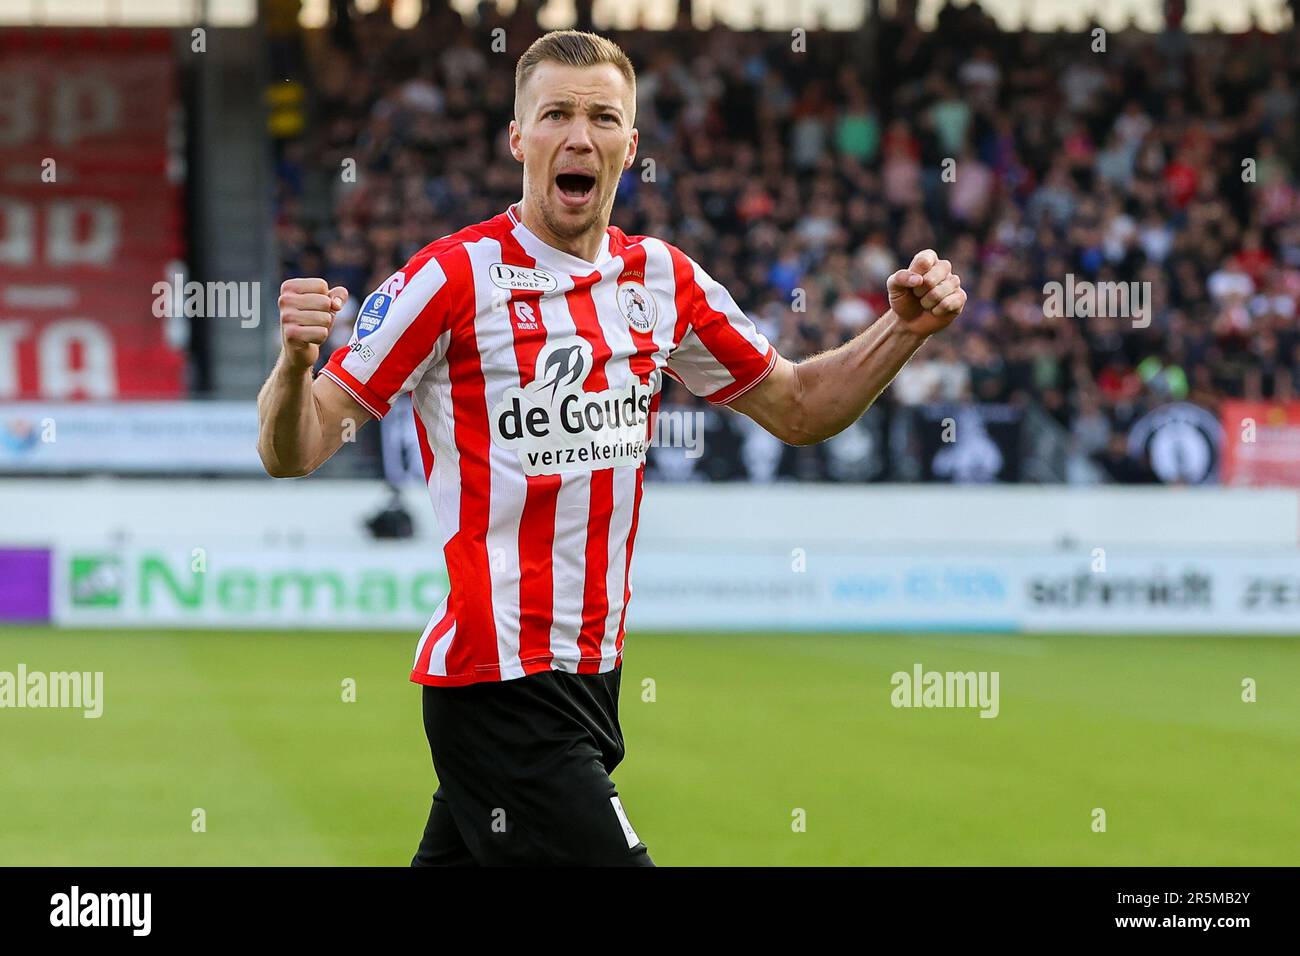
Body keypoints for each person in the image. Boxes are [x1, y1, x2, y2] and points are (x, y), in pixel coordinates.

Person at [255, 29, 965, 866]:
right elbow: (295, 448)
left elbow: (802, 407)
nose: (578, 137)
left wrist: (902, 331)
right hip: (502, 683)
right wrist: (295, 365)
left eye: (602, 118)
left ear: (630, 146)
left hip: (593, 676)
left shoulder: (663, 280)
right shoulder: (451, 280)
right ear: (518, 138)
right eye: (555, 114)